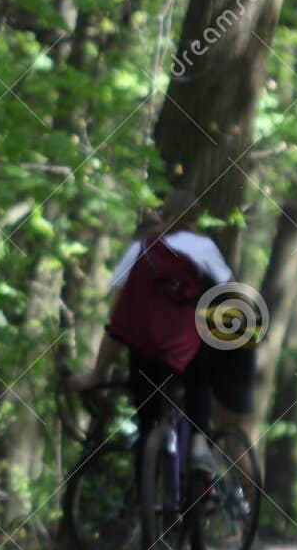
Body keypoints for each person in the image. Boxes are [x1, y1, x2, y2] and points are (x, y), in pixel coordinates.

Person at [70, 190, 235, 475]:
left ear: (163, 215)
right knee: (199, 384)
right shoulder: (203, 247)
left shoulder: (142, 248)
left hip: (145, 347)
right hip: (186, 347)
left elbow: (118, 306)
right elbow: (232, 291)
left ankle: (145, 507)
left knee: (148, 423)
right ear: (196, 220)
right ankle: (198, 445)